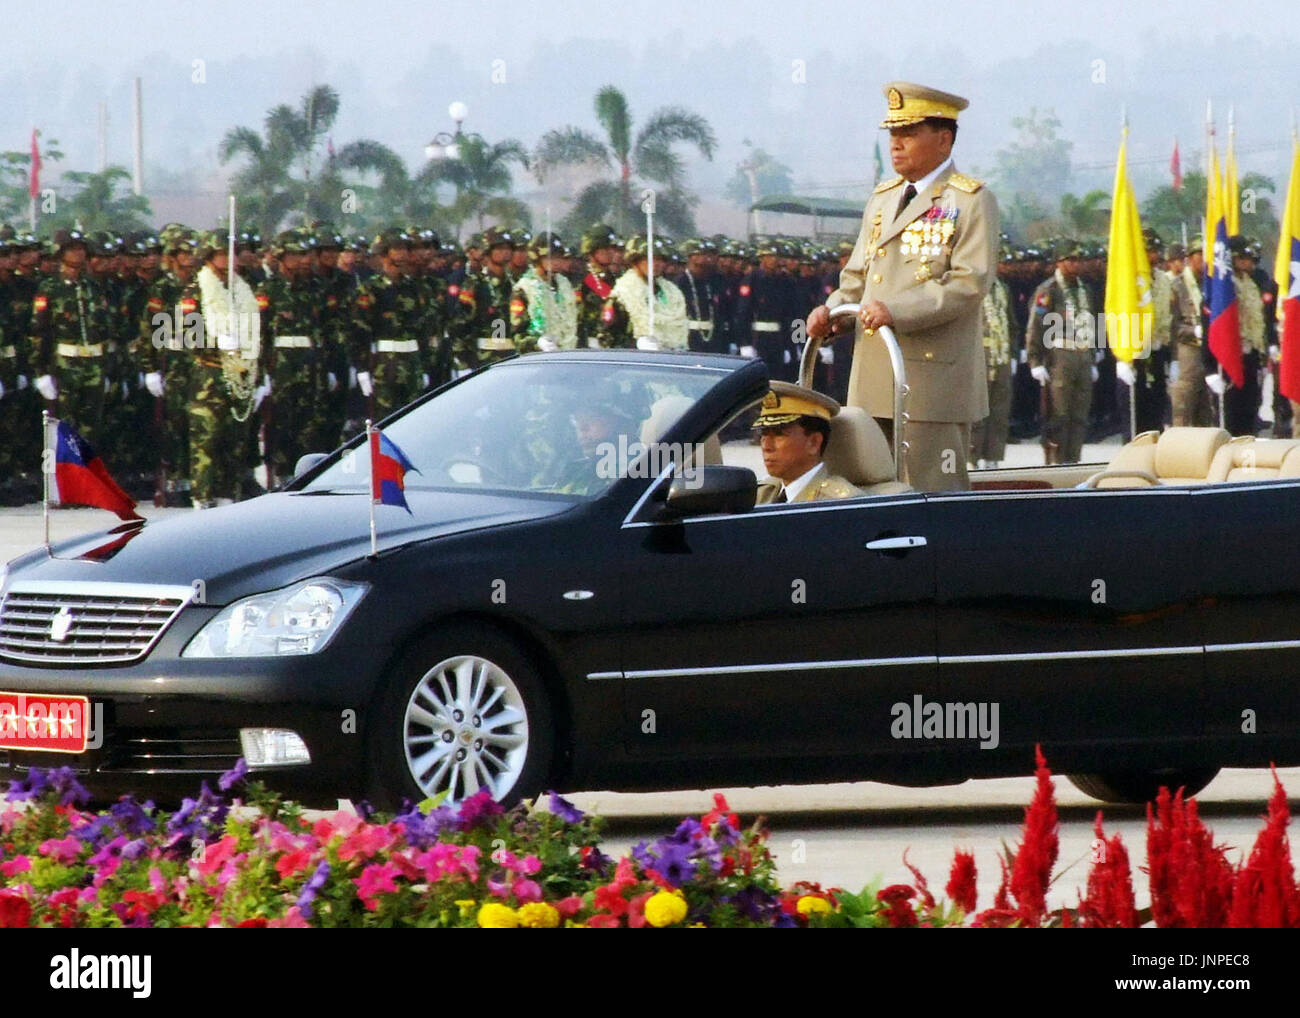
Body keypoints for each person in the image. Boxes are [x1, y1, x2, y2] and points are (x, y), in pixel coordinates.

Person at [808, 81, 998, 492]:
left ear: (944, 140)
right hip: (872, 372)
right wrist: (834, 310)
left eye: (909, 133)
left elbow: (968, 283)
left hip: (931, 380)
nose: (897, 144)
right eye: (893, 134)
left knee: (932, 492)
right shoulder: (882, 197)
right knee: (869, 490)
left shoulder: (970, 200)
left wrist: (898, 310)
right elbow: (858, 275)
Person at [1026, 240, 1098, 464]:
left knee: (1079, 416)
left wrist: (1093, 357)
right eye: (1071, 260)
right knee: (1059, 415)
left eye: (1079, 260)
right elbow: (1036, 325)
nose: (1076, 265)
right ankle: (1057, 463)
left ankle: (1073, 460)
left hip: (1083, 355)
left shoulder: (1084, 289)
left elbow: (1091, 322)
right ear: (1059, 262)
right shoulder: (1049, 290)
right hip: (1060, 355)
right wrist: (1035, 361)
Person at [753, 381, 862, 504]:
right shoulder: (763, 494)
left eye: (779, 434)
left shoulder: (839, 504)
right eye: (763, 434)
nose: (766, 446)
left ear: (813, 443)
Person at [969, 245, 1016, 468]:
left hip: (1001, 357)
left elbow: (1011, 324)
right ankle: (972, 459)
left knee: (999, 413)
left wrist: (1014, 354)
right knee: (976, 412)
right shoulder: (972, 288)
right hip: (978, 357)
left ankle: (993, 458)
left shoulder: (1003, 288)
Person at [599, 235, 689, 350]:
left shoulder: (671, 292)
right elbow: (608, 337)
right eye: (650, 259)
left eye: (660, 260)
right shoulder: (623, 294)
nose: (656, 264)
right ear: (635, 261)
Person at [1167, 242, 1214, 427]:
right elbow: (1172, 325)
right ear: (1190, 258)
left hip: (1208, 350)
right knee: (1183, 408)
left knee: (1205, 409)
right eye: (1199, 255)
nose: (1203, 260)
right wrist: (1193, 330)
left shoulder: (1211, 285)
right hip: (1187, 351)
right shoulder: (1177, 286)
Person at [509, 231, 579, 351]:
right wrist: (537, 343)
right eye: (551, 257)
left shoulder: (565, 285)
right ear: (537, 258)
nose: (556, 262)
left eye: (559, 257)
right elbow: (517, 333)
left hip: (568, 354)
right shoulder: (524, 289)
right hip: (538, 359)